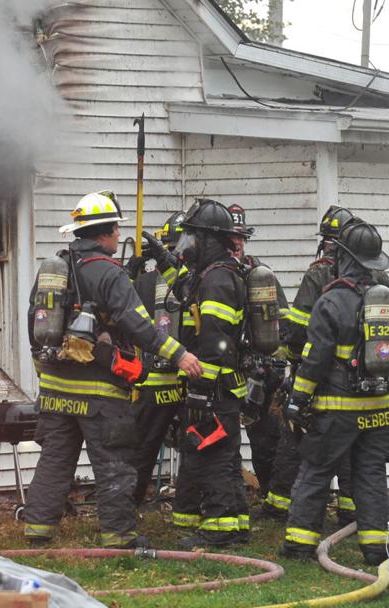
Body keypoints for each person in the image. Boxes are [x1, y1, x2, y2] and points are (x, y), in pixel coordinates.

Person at [23, 191, 201, 547]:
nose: (119, 235)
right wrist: (179, 354)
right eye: (116, 229)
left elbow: (35, 321)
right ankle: (119, 535)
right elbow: (138, 325)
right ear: (103, 234)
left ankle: (37, 530)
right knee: (114, 463)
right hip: (99, 390)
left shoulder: (55, 267)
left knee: (55, 459)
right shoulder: (109, 273)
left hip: (57, 387)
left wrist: (44, 376)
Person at [281, 220, 389, 565]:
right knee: (370, 474)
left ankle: (299, 545)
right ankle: (376, 548)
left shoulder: (331, 301)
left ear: (343, 258)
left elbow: (314, 360)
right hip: (382, 412)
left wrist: (297, 401)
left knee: (316, 470)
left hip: (337, 411)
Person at [171, 198, 267, 549]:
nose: (187, 246)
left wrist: (201, 390)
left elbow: (215, 341)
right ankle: (236, 521)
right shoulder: (214, 274)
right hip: (223, 386)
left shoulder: (218, 280)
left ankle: (219, 528)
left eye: (192, 238)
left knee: (211, 454)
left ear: (209, 239)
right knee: (225, 455)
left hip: (214, 386)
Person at [263, 205, 358, 522]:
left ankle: (281, 506)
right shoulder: (374, 276)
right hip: (360, 381)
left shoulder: (318, 273)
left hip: (318, 376)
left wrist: (297, 369)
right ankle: (351, 513)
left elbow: (298, 328)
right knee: (351, 446)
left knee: (295, 441)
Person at [225, 204, 289, 506]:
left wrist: (277, 362)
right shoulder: (215, 276)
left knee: (267, 439)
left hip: (259, 371)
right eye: (231, 237)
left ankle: (268, 496)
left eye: (240, 237)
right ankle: (225, 500)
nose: (236, 243)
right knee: (221, 439)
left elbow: (284, 320)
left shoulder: (261, 274)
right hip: (224, 369)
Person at [129, 211, 187, 505]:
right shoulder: (196, 281)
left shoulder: (145, 278)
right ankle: (193, 504)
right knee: (195, 447)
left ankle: (131, 502)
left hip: (155, 383)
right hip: (186, 379)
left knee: (143, 448)